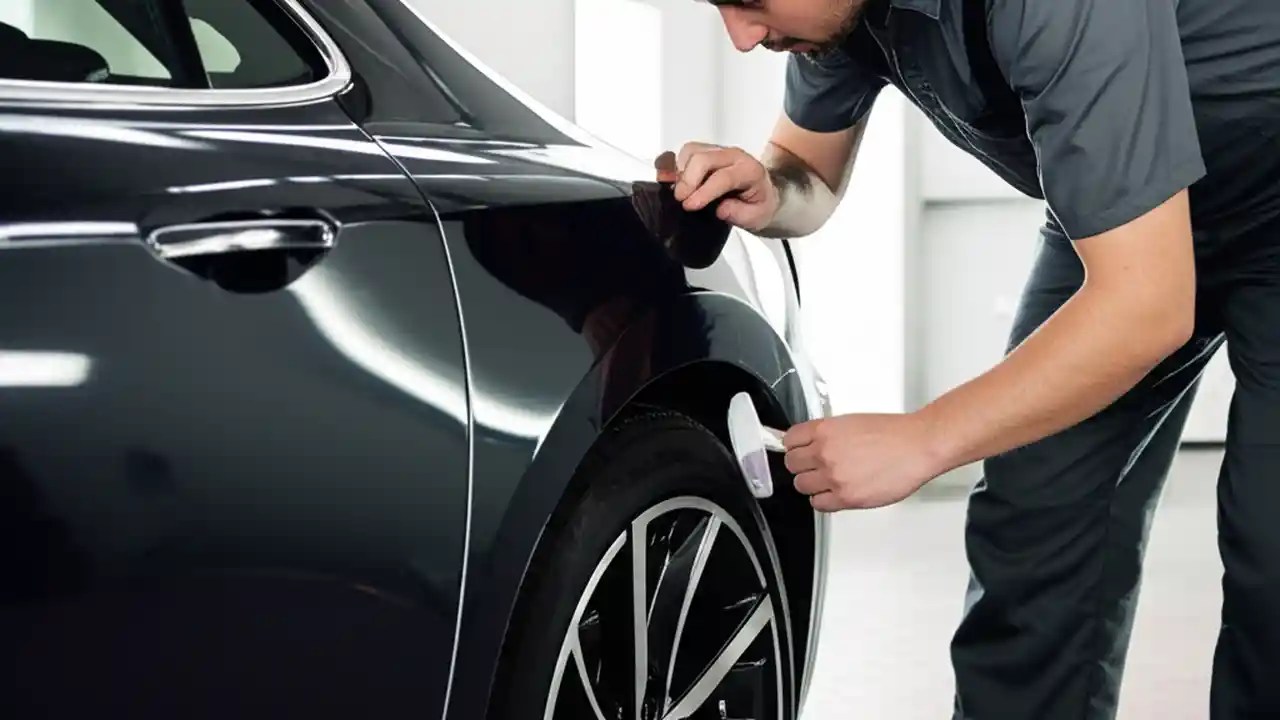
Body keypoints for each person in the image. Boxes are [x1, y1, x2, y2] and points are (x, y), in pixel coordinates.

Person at [666, 0, 1280, 718]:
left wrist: (922, 438)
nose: (740, 36)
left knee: (1271, 553)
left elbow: (1147, 304)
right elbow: (809, 170)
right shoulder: (832, 18)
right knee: (1034, 514)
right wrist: (770, 191)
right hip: (1120, 225)